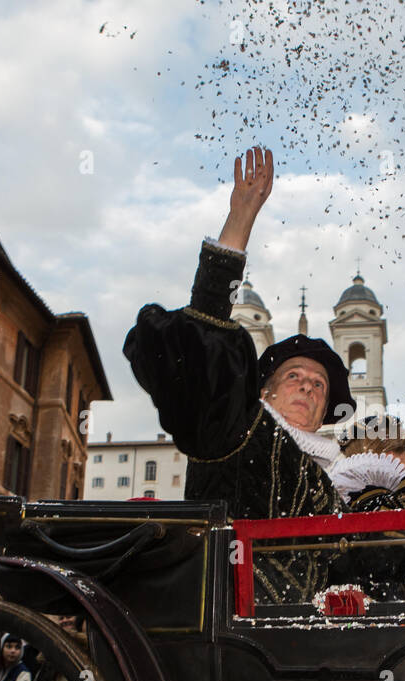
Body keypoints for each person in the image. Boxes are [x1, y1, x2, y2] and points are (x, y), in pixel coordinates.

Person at [123, 147, 357, 602]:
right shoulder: (239, 424)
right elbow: (204, 341)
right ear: (263, 391)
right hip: (226, 614)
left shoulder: (338, 481)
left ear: (326, 411)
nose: (308, 385)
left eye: (319, 385)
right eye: (294, 377)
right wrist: (240, 224)